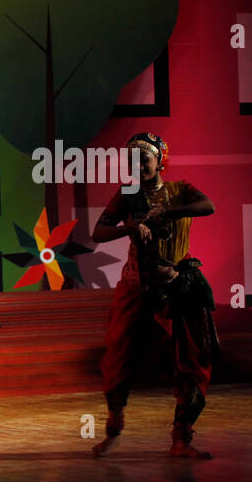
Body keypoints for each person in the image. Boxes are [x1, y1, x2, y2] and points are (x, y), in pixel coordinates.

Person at [90, 132, 218, 459]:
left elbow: (208, 206)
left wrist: (168, 213)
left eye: (144, 157)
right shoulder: (128, 194)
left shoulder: (180, 191)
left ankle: (181, 438)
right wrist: (129, 228)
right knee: (117, 355)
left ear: (160, 159)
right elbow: (98, 232)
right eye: (132, 159)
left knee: (193, 359)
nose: (138, 165)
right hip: (137, 285)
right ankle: (113, 426)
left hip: (177, 282)